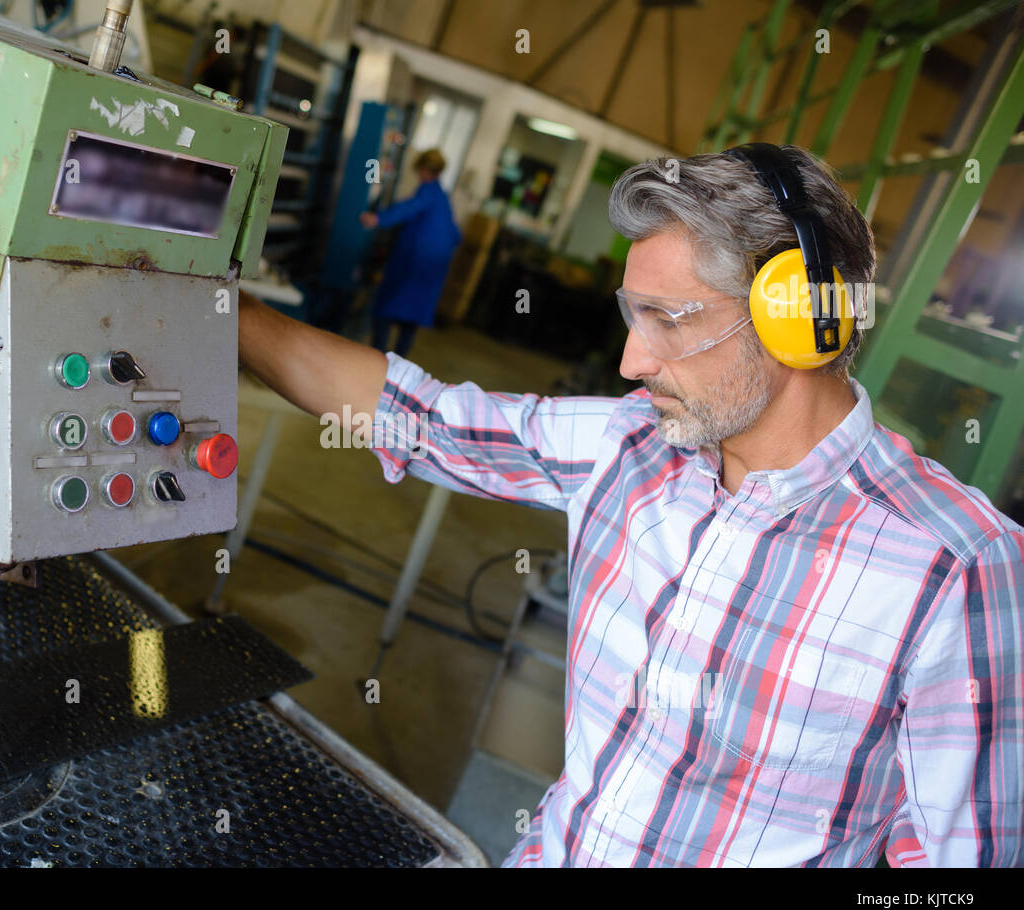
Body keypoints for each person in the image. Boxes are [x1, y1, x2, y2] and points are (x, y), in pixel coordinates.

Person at [237, 144, 1024, 867]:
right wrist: (213, 306)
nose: (630, 359)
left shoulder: (955, 568)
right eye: (631, 314)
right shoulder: (630, 448)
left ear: (798, 317)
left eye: (668, 319)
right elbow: (423, 418)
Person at [359, 148, 462, 357]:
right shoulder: (443, 198)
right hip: (433, 269)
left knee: (385, 310)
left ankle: (378, 361)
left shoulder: (427, 192)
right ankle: (400, 367)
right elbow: (455, 234)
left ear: (423, 169)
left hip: (414, 263)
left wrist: (378, 219)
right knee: (411, 319)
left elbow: (408, 208)